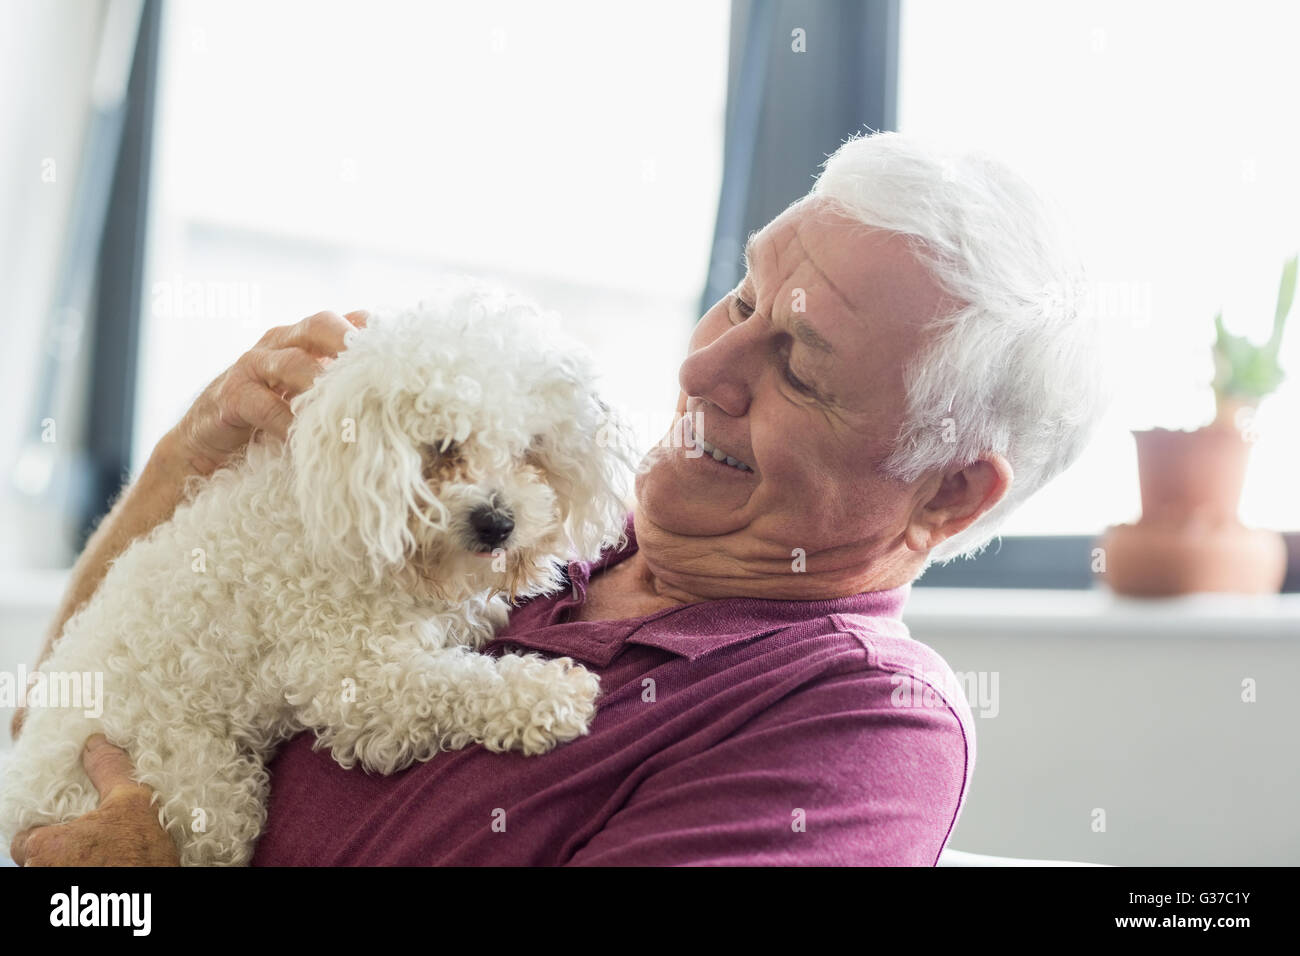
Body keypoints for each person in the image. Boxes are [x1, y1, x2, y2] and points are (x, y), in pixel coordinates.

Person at [8, 131, 1107, 866]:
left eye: (799, 367)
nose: (704, 369)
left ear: (950, 493)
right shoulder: (539, 524)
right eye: (738, 295)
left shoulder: (855, 723)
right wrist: (184, 462)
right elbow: (49, 720)